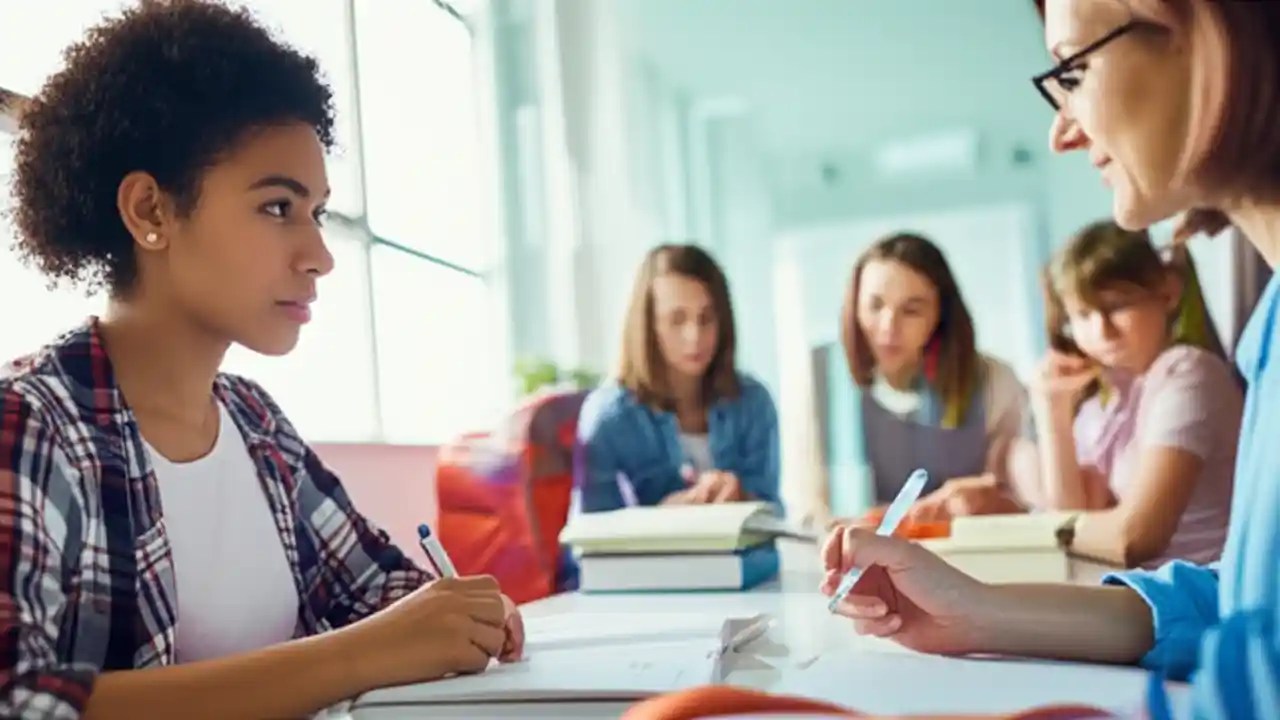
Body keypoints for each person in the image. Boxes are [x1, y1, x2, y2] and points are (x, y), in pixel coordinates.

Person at [0, 3, 523, 718]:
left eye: (318, 214)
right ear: (151, 211)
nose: (320, 256)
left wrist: (457, 614)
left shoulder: (255, 423)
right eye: (278, 208)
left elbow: (380, 590)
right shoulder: (29, 427)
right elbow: (16, 700)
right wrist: (362, 652)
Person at [824, 1, 1279, 717]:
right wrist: (974, 611)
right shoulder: (1267, 334)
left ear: (1207, 31)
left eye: (1075, 68)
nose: (1063, 130)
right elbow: (1247, 602)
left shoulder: (1192, 371)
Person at [1011, 220, 1241, 568]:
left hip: (1203, 593)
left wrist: (1043, 530)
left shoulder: (1189, 373)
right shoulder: (1105, 406)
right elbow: (1074, 514)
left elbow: (1134, 538)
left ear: (1168, 292)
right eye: (1083, 315)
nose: (1101, 331)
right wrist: (1051, 408)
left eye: (1117, 306)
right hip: (1140, 588)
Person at [834, 233, 1029, 521]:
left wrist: (986, 501)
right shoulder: (822, 385)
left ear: (941, 315)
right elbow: (810, 510)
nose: (889, 327)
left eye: (911, 310)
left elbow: (1024, 503)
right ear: (854, 307)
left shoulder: (995, 382)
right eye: (875, 306)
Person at [575, 244, 780, 512]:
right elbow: (588, 540)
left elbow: (773, 513)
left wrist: (742, 498)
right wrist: (663, 519)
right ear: (649, 326)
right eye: (677, 319)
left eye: (706, 318)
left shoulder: (753, 402)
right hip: (652, 555)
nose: (694, 336)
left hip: (740, 555)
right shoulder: (608, 418)